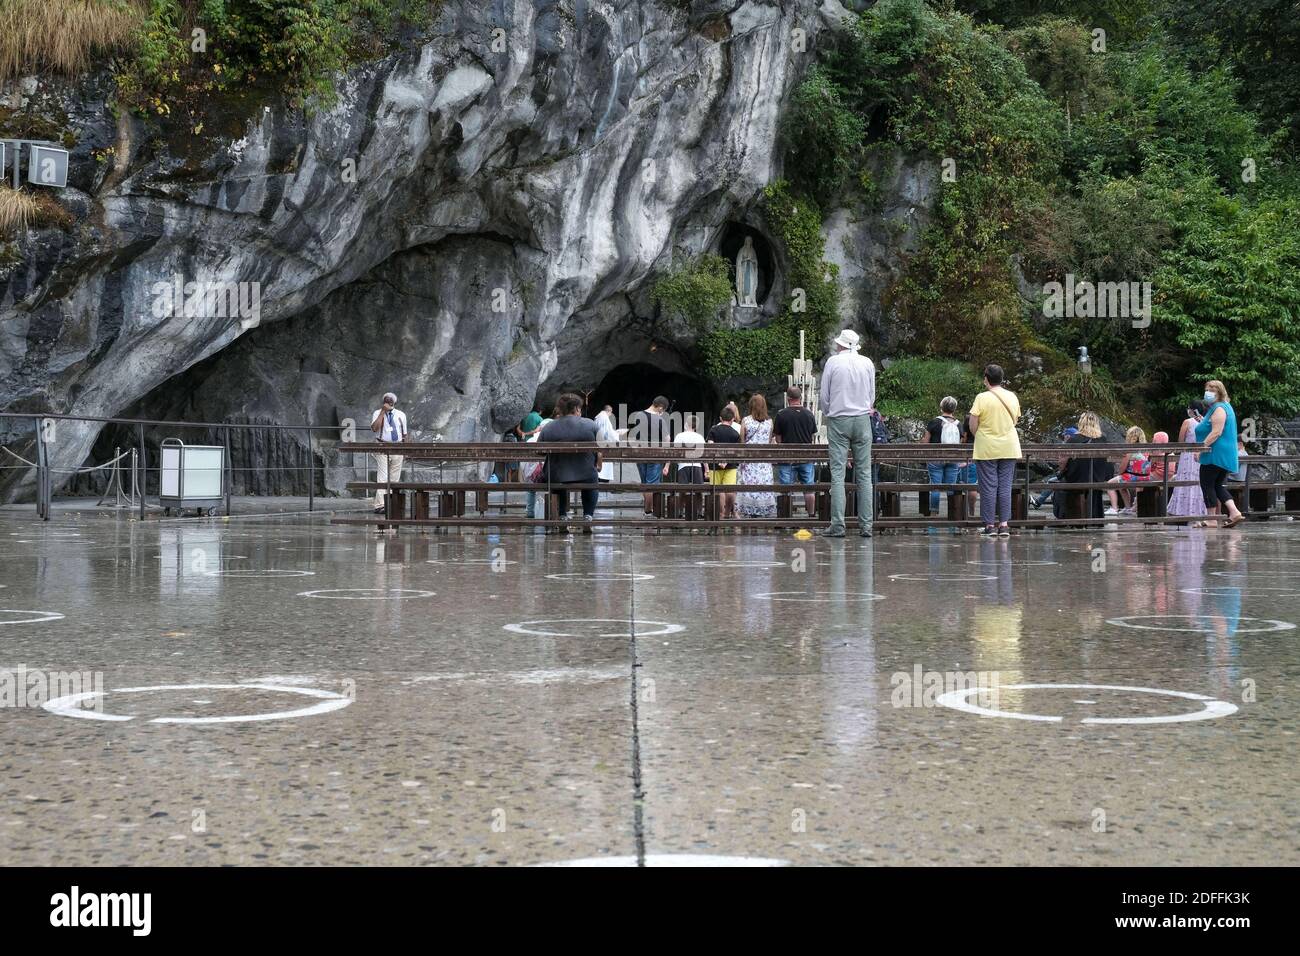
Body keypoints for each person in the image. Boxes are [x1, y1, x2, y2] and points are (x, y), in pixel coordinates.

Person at [818, 328, 876, 537]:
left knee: (838, 473)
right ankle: (866, 525)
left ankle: (838, 525)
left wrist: (828, 412)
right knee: (864, 474)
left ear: (840, 344)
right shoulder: (867, 363)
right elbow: (872, 396)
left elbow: (824, 395)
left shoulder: (833, 362)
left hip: (839, 419)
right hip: (862, 420)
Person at [968, 364, 1021, 536]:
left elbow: (973, 423)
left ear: (986, 378)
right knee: (1005, 486)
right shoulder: (1012, 396)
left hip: (987, 447)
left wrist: (980, 435)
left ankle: (990, 525)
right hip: (1009, 445)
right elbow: (1015, 421)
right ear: (1002, 378)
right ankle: (1004, 524)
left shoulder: (982, 398)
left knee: (989, 486)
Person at [537, 393, 602, 534]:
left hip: (556, 475)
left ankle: (562, 516)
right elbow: (601, 447)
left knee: (558, 479)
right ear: (577, 408)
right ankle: (588, 516)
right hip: (585, 474)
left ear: (560, 409)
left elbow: (540, 451)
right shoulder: (590, 424)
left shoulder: (548, 427)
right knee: (592, 482)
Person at [1195, 379, 1245, 528]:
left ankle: (1211, 519)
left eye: (1212, 390)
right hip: (1224, 454)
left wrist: (1200, 449)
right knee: (1217, 485)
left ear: (1219, 392)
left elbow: (1217, 432)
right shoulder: (1225, 407)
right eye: (1207, 389)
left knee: (1207, 484)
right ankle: (1234, 512)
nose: (1208, 393)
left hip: (1215, 453)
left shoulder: (1219, 408)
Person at [1056, 411, 1113, 520]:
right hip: (1097, 477)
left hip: (1077, 478)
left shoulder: (1073, 439)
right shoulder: (1103, 440)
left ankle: (1072, 514)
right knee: (1093, 484)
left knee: (1061, 481)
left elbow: (1062, 460)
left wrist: (1061, 471)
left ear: (1081, 423)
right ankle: (1095, 515)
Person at [773, 385, 818, 516]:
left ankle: (786, 516)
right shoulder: (809, 414)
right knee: (809, 487)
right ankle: (811, 515)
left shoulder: (781, 414)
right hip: (806, 456)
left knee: (786, 488)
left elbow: (778, 438)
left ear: (788, 398)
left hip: (787, 457)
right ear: (800, 398)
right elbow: (813, 436)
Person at [921, 396, 966, 516]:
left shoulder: (934, 422)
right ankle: (952, 513)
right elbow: (961, 442)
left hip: (936, 459)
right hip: (952, 458)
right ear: (954, 409)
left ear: (941, 407)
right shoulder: (958, 424)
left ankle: (934, 514)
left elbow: (925, 442)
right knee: (951, 487)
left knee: (935, 486)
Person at [628, 396, 671, 516]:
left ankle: (648, 508)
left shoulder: (637, 416)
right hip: (655, 454)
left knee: (645, 483)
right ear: (660, 407)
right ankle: (648, 511)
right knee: (651, 484)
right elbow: (667, 439)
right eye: (662, 411)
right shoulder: (659, 419)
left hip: (640, 454)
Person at [737, 394, 777, 517]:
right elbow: (770, 440)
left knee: (750, 485)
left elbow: (742, 441)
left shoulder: (746, 420)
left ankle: (749, 510)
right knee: (763, 484)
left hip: (749, 460)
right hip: (764, 461)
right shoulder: (769, 422)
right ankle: (763, 510)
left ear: (751, 406)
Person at [369, 391, 409, 514]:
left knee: (394, 478)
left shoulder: (401, 415)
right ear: (383, 402)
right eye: (386, 400)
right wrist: (382, 412)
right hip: (382, 446)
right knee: (383, 477)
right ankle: (380, 505)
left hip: (398, 448)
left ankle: (391, 503)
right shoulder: (377, 413)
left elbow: (404, 434)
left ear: (394, 402)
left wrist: (406, 450)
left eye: (390, 401)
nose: (388, 402)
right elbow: (375, 428)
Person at [1167, 401, 1207, 519]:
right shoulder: (1205, 421)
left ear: (1192, 410)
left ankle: (1181, 508)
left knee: (1185, 479)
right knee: (1199, 481)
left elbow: (1181, 441)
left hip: (1188, 455)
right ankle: (1199, 509)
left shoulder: (1188, 422)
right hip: (1201, 455)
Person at [666, 414, 708, 519]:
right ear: (696, 426)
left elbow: (673, 452)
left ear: (686, 424)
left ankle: (680, 510)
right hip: (697, 465)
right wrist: (706, 469)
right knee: (699, 490)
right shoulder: (699, 437)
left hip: (683, 465)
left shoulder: (680, 436)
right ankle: (699, 510)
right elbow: (704, 455)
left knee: (682, 489)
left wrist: (667, 465)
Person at [706, 406, 742, 520]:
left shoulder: (713, 430)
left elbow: (710, 446)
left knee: (717, 489)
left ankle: (720, 514)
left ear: (720, 418)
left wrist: (719, 460)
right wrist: (726, 461)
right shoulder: (735, 433)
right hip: (730, 465)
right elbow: (736, 451)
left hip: (715, 465)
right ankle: (727, 512)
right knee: (730, 489)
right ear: (732, 420)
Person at [1106, 426, 1151, 515]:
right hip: (1145, 477)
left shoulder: (1130, 450)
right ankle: (1128, 508)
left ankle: (1114, 509)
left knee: (1110, 484)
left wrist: (1119, 474)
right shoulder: (1147, 450)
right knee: (1122, 486)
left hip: (1133, 476)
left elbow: (1122, 468)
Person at [1032, 426, 1077, 509]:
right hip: (1074, 474)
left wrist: (1060, 471)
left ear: (1068, 436)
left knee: (1051, 481)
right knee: (1054, 479)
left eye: (1065, 436)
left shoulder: (1068, 446)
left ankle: (1038, 502)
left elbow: (1062, 463)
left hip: (1071, 476)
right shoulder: (1077, 444)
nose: (1064, 438)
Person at [593, 405, 618, 482]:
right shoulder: (605, 418)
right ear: (609, 411)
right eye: (611, 412)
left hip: (598, 443)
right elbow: (608, 433)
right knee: (604, 472)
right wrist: (617, 435)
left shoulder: (598, 417)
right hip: (604, 446)